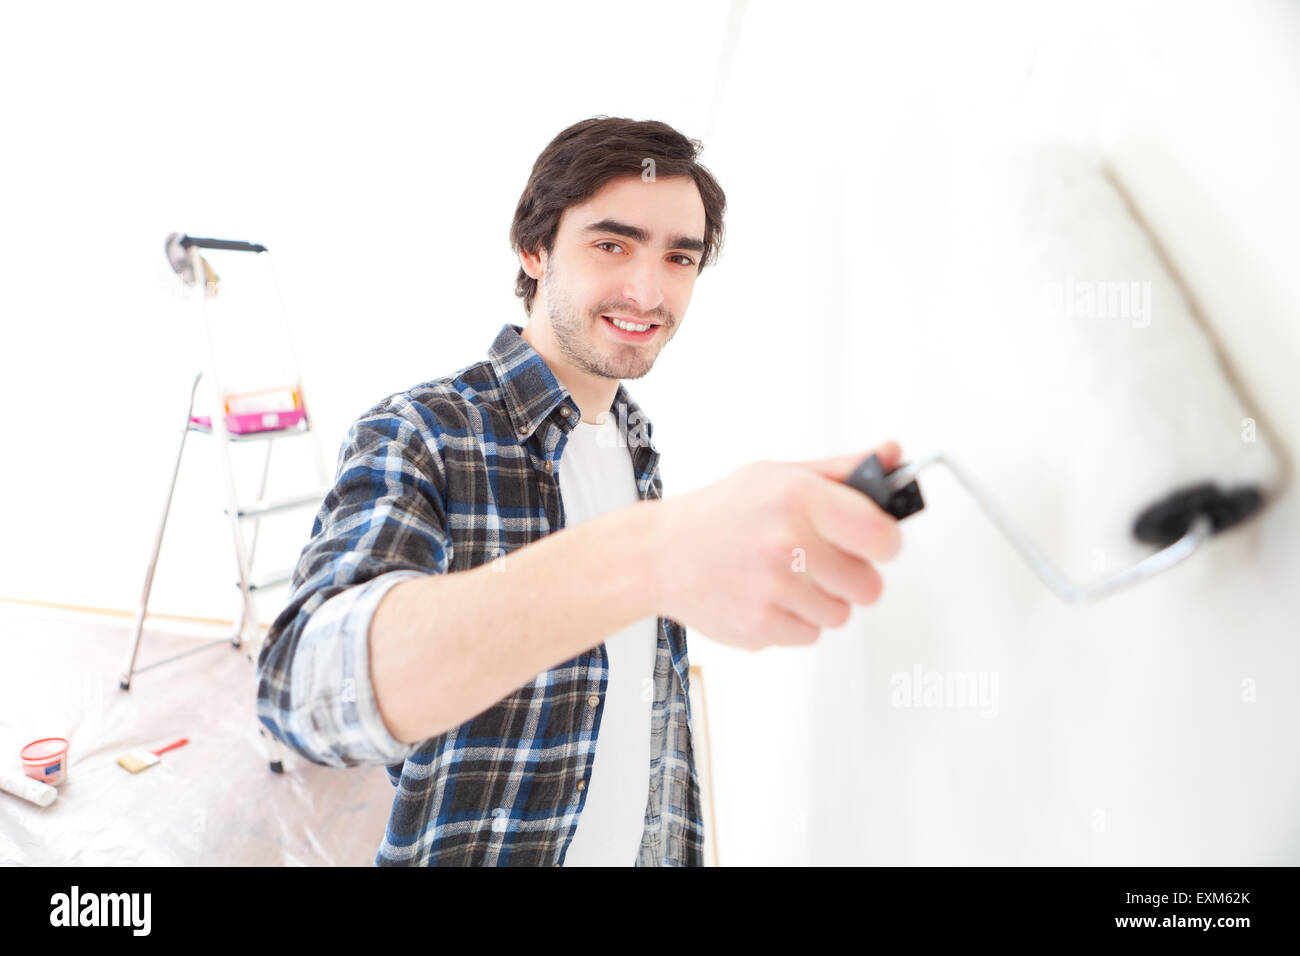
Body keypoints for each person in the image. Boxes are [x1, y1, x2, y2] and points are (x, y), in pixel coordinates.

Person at [255, 115, 904, 867]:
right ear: (534, 251)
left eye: (680, 258)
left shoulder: (636, 446)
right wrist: (650, 555)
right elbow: (302, 691)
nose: (648, 289)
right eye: (611, 244)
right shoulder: (423, 431)